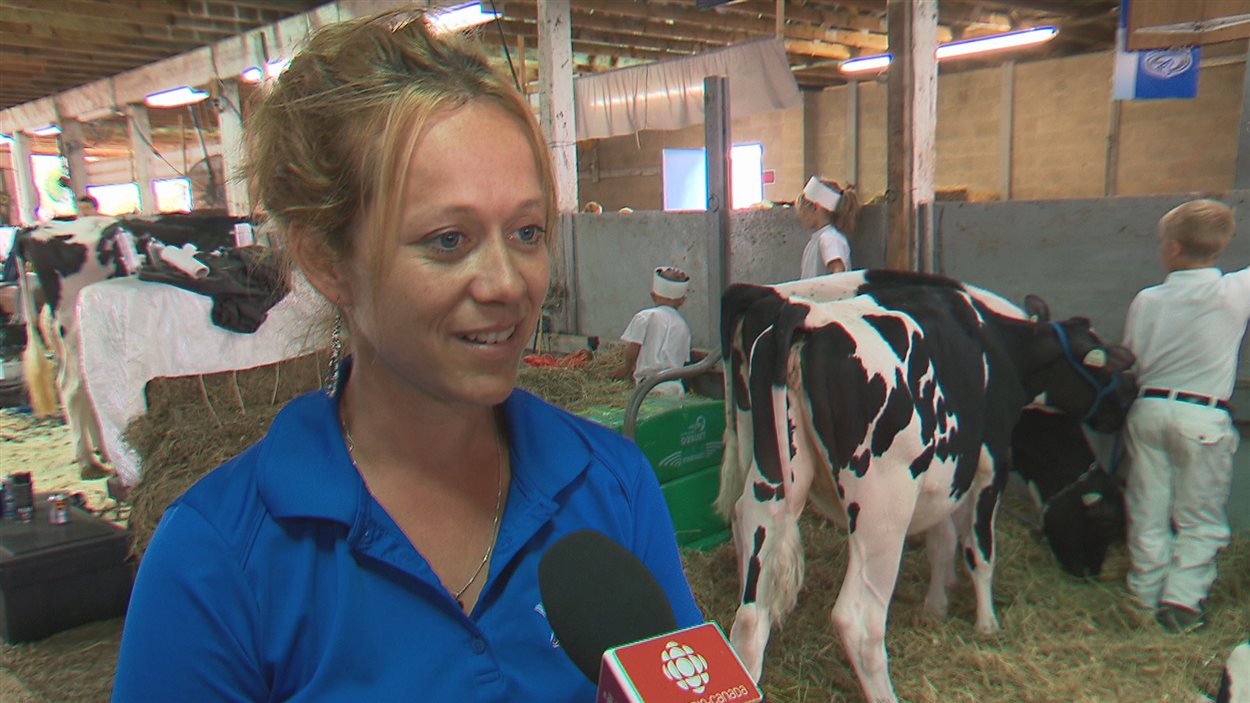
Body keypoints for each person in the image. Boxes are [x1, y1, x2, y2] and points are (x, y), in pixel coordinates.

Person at [111, 10, 701, 702]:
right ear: (326, 261)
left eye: (527, 231)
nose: (507, 284)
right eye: (449, 240)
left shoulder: (612, 485)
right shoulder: (215, 561)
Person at [1122, 198, 1249, 633]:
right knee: (1199, 517)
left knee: (1148, 510)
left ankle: (1143, 598)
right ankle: (1181, 603)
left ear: (1174, 248)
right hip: (1202, 417)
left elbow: (1132, 359)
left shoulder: (1147, 300)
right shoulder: (1234, 292)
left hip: (1149, 409)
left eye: (1162, 241)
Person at [613, 266, 692, 397]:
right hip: (676, 388)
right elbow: (684, 362)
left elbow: (633, 349)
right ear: (682, 301)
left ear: (653, 296)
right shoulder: (684, 327)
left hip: (650, 387)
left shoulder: (645, 317)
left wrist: (626, 369)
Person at [797, 176, 860, 279]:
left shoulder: (829, 238)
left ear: (816, 208)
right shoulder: (819, 239)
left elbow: (838, 270)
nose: (800, 215)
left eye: (803, 209)